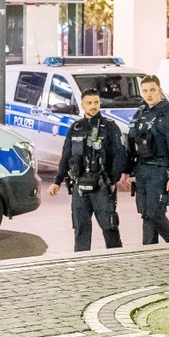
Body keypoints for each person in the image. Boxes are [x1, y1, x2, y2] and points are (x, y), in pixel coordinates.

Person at [49, 88, 126, 252]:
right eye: (89, 103)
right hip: (80, 187)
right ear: (82, 104)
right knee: (81, 229)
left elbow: (119, 156)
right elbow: (66, 156)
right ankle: (81, 265)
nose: (93, 106)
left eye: (96, 102)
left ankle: (118, 262)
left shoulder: (110, 127)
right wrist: (57, 181)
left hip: (102, 187)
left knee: (109, 227)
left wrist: (112, 181)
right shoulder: (75, 128)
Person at [125, 75, 169, 245]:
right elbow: (132, 143)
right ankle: (149, 251)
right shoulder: (141, 113)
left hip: (160, 170)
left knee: (154, 213)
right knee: (146, 213)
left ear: (159, 90)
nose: (149, 94)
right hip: (142, 169)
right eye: (145, 91)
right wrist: (127, 171)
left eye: (152, 90)